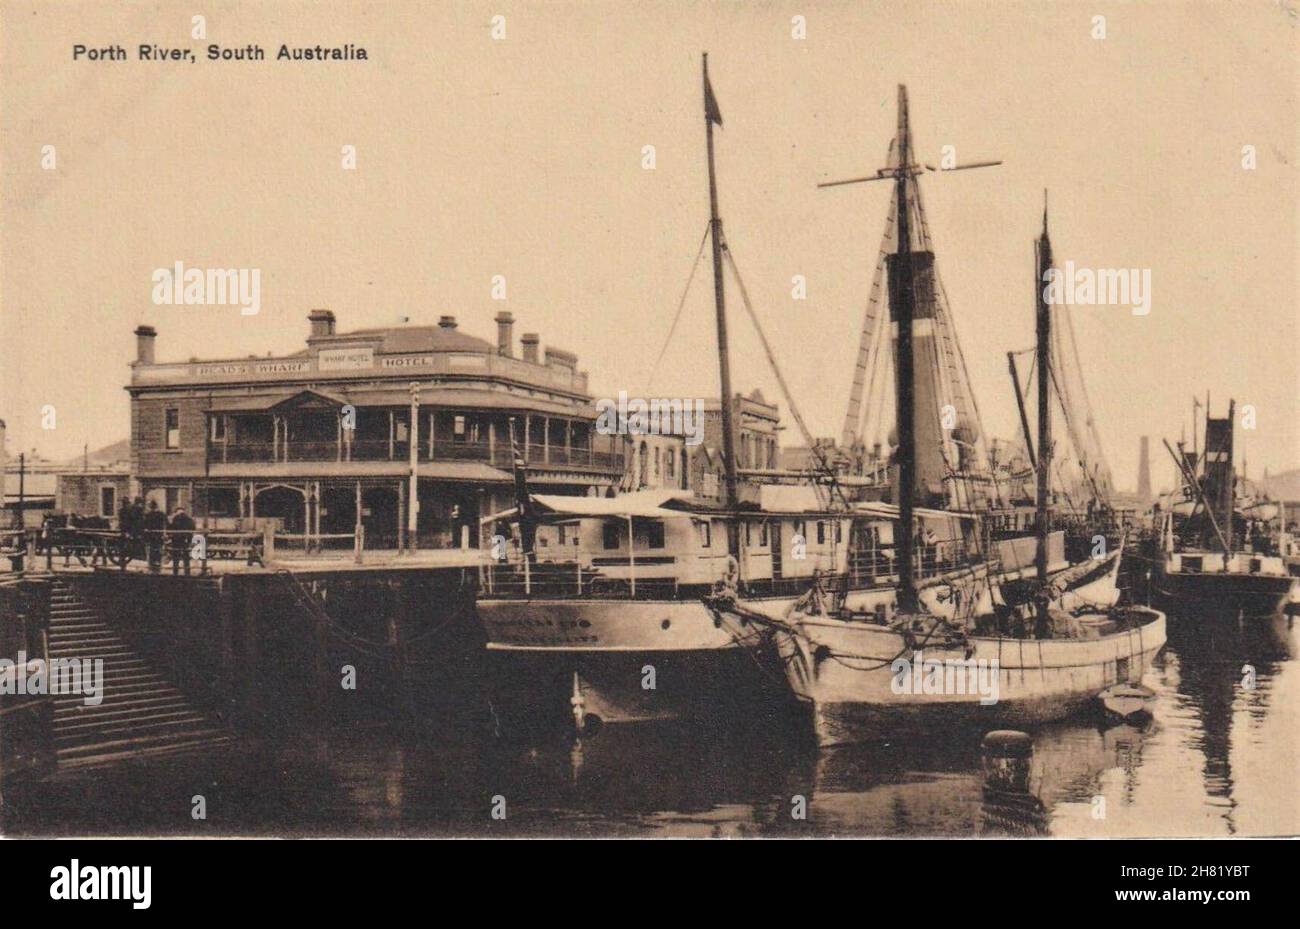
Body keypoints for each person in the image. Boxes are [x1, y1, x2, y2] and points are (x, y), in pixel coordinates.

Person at [168, 506, 196, 576]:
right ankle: (187, 572)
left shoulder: (175, 518)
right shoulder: (189, 519)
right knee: (186, 556)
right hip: (185, 539)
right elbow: (193, 528)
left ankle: (175, 572)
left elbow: (171, 528)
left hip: (176, 540)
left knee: (176, 556)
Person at [143, 499, 166, 572]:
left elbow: (144, 525)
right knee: (158, 551)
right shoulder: (161, 514)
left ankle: (150, 567)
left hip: (150, 536)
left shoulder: (147, 515)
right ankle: (158, 567)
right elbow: (166, 524)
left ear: (150, 507)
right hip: (159, 536)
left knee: (150, 551)